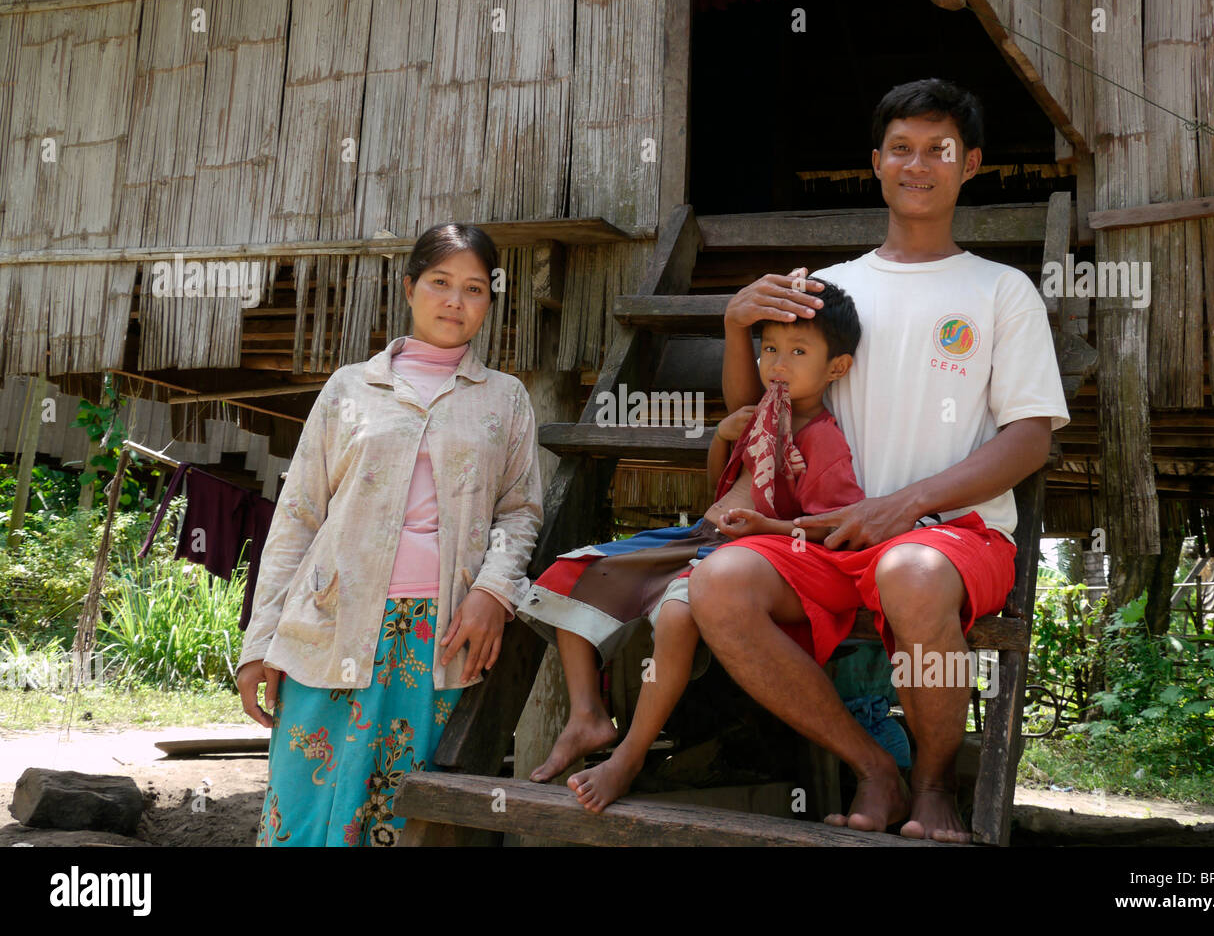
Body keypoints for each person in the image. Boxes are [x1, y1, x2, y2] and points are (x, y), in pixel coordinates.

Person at [687, 78, 1071, 843]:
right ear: (876, 162)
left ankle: (933, 784)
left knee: (911, 571)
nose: (918, 164)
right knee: (717, 583)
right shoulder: (827, 290)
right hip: (828, 538)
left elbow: (1030, 438)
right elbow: (761, 412)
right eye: (902, 148)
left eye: (939, 150)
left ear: (971, 165)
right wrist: (737, 326)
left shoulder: (1003, 290)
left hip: (953, 537)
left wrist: (904, 507)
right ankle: (875, 767)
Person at [235, 222, 543, 846]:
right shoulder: (350, 387)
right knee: (301, 813)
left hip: (439, 636)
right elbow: (297, 515)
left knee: (404, 818)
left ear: (489, 301)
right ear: (409, 289)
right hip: (329, 625)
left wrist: (494, 591)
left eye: (475, 289)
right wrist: (260, 640)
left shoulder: (504, 399)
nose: (455, 301)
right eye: (440, 283)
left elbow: (520, 512)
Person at [519, 278, 869, 811]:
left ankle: (630, 755)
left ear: (836, 368)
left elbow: (832, 525)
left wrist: (766, 530)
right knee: (575, 568)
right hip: (698, 537)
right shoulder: (759, 417)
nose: (779, 363)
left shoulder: (822, 438)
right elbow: (720, 484)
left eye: (799, 352)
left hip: (744, 557)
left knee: (680, 616)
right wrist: (725, 436)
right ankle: (587, 715)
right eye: (770, 348)